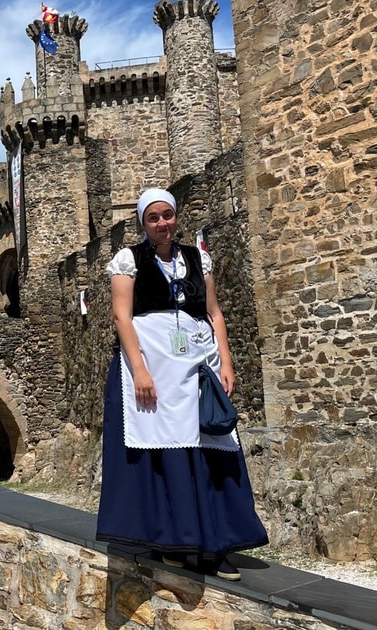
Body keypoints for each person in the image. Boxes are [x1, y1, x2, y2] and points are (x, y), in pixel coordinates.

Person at [95, 189, 267, 580]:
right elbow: (122, 318)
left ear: (177, 217)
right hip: (153, 368)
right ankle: (174, 541)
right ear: (143, 223)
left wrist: (226, 360)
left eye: (167, 215)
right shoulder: (129, 261)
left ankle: (216, 545)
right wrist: (139, 370)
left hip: (198, 366)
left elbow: (213, 312)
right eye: (153, 217)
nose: (162, 223)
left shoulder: (196, 258)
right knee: (163, 455)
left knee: (209, 447)